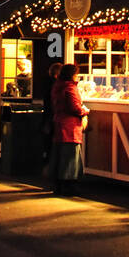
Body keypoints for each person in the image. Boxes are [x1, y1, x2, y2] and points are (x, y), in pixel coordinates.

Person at [49, 63, 89, 196]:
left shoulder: (57, 86)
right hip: (70, 126)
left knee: (60, 155)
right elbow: (74, 107)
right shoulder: (70, 88)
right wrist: (84, 111)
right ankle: (69, 185)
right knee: (70, 157)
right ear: (72, 75)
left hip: (60, 124)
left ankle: (59, 184)